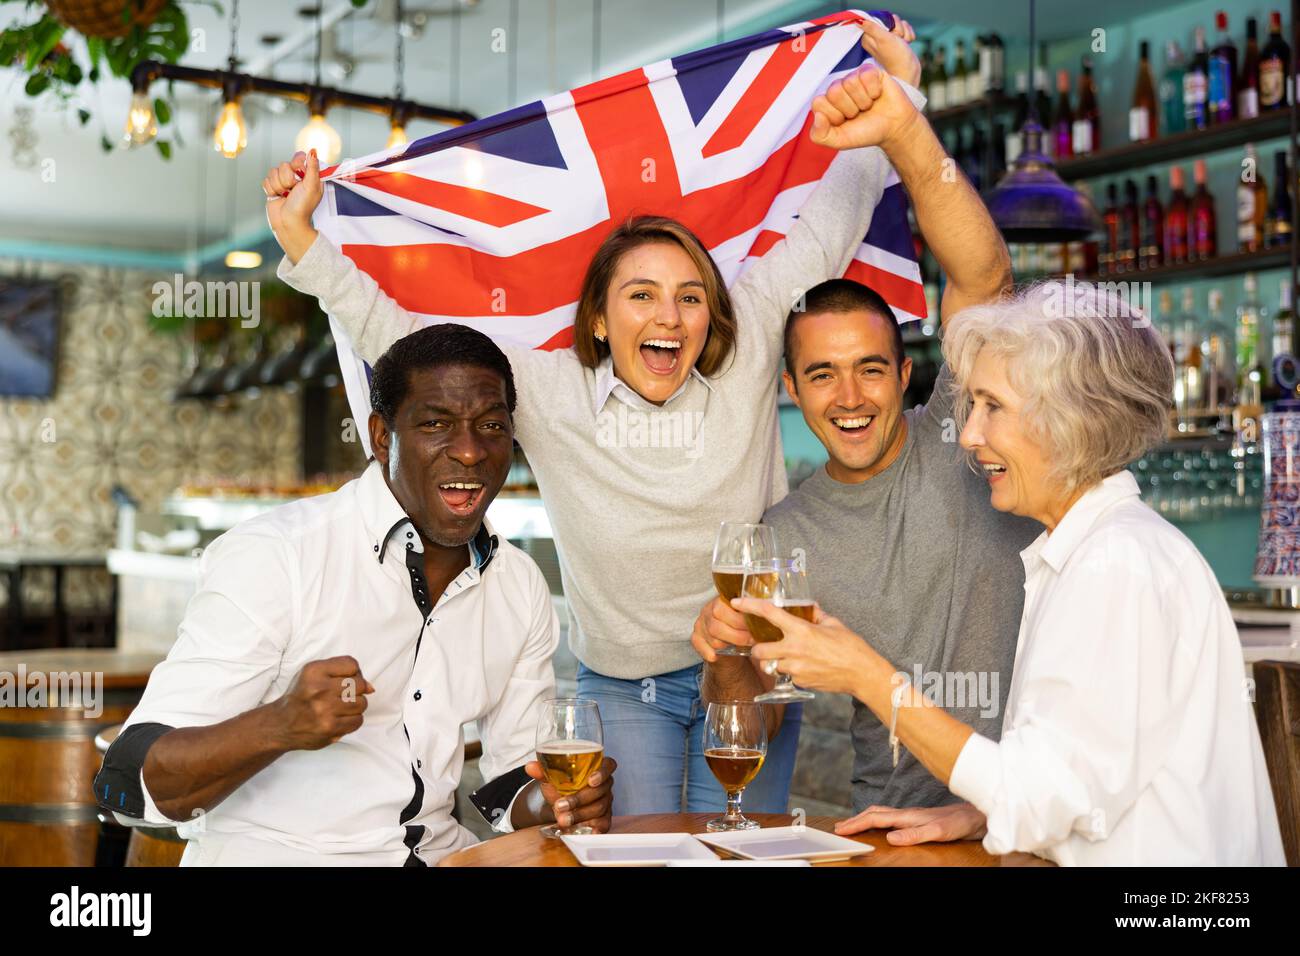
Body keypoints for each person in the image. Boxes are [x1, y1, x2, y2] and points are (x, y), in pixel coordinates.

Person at [264, 19, 926, 816]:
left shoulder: (744, 342)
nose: (671, 317)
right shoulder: (545, 388)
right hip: (624, 684)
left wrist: (901, 97)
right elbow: (408, 340)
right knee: (637, 856)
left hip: (751, 666)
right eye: (641, 296)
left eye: (689, 297)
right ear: (603, 321)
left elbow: (830, 224)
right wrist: (301, 237)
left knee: (740, 852)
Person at [735, 282, 1287, 865]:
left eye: (991, 407)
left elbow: (1038, 795)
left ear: (1067, 418)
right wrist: (980, 812)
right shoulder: (1082, 554)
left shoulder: (1115, 564)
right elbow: (1077, 778)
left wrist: (868, 676)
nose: (969, 436)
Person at [94, 324, 615, 865]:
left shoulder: (518, 583)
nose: (469, 451)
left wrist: (558, 799)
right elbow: (128, 786)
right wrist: (278, 725)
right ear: (382, 435)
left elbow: (510, 787)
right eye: (436, 423)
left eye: (491, 425)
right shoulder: (277, 555)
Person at [692, 83, 1038, 813]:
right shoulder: (783, 538)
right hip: (889, 821)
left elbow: (985, 278)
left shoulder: (967, 432)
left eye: (870, 369)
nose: (849, 398)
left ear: (907, 375)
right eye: (823, 375)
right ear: (792, 386)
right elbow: (756, 724)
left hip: (1030, 807)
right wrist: (727, 656)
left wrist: (903, 132)